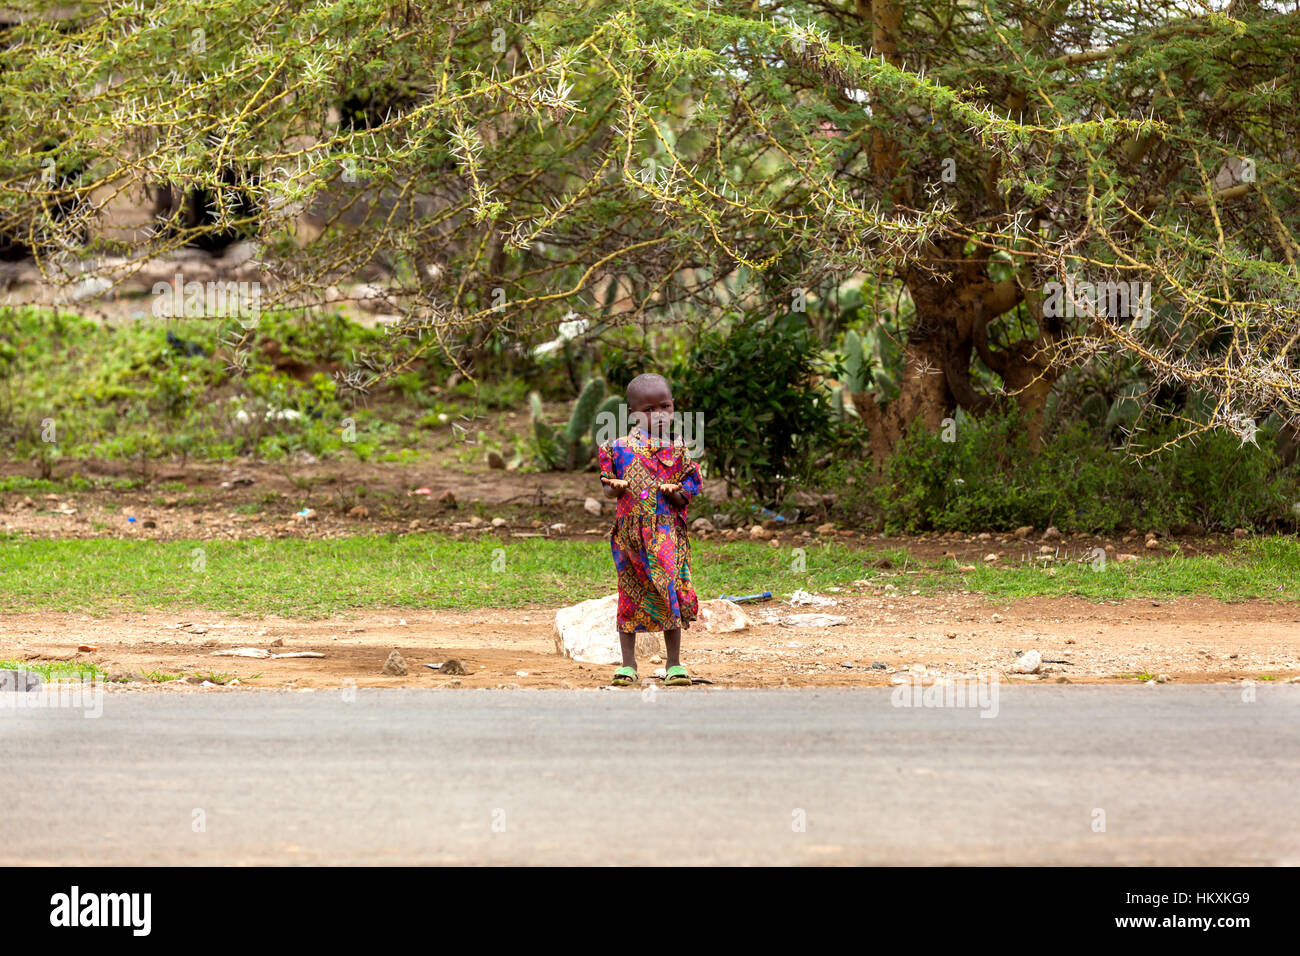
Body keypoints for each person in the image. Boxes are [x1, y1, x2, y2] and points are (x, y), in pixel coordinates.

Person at [597, 373, 701, 687]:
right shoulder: (617, 448)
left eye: (665, 407)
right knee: (629, 593)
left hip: (666, 533)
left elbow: (688, 495)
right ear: (632, 414)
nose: (659, 415)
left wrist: (674, 493)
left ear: (673, 407)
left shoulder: (680, 450)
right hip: (630, 535)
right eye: (649, 410)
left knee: (668, 588)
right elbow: (608, 489)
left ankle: (674, 664)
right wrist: (614, 488)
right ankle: (628, 665)